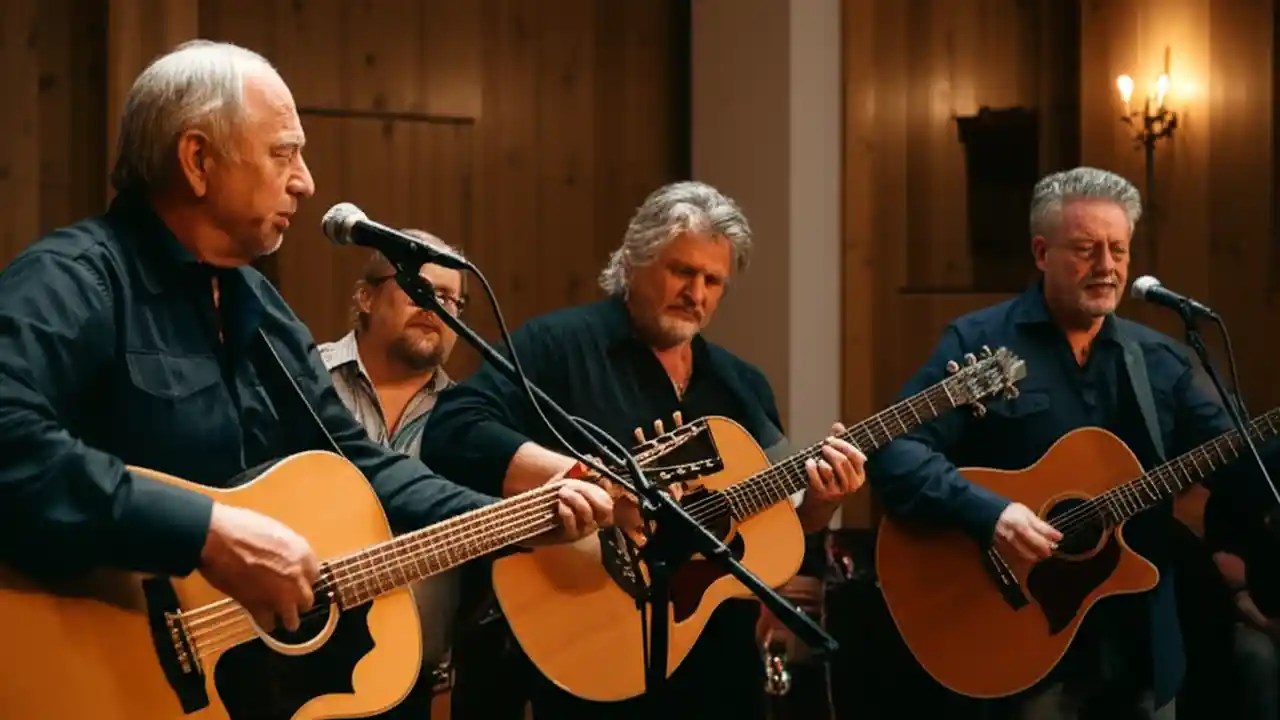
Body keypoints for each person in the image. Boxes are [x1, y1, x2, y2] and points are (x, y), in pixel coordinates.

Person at [0, 38, 611, 702]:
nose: (305, 181)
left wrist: (514, 517)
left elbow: (357, 463)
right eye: (283, 153)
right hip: (74, 672)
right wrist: (204, 531)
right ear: (197, 160)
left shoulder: (258, 307)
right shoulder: (74, 279)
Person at [421, 180, 868, 719]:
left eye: (713, 281)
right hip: (589, 637)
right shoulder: (557, 346)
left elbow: (780, 521)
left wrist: (821, 500)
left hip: (715, 663)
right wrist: (586, 479)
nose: (697, 294)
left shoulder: (740, 385)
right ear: (633, 261)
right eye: (682, 271)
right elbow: (454, 429)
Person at [867, 166, 1275, 719]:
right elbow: (895, 450)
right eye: (1086, 249)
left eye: (1118, 249)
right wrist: (993, 514)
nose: (1107, 266)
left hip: (1139, 645)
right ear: (1042, 252)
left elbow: (1243, 466)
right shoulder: (979, 344)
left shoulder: (1161, 361)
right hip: (1018, 633)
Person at [318, 232, 470, 718]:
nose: (434, 307)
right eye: (419, 289)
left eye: (450, 299)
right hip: (292, 664)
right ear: (366, 297)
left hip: (414, 685)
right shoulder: (301, 379)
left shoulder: (472, 418)